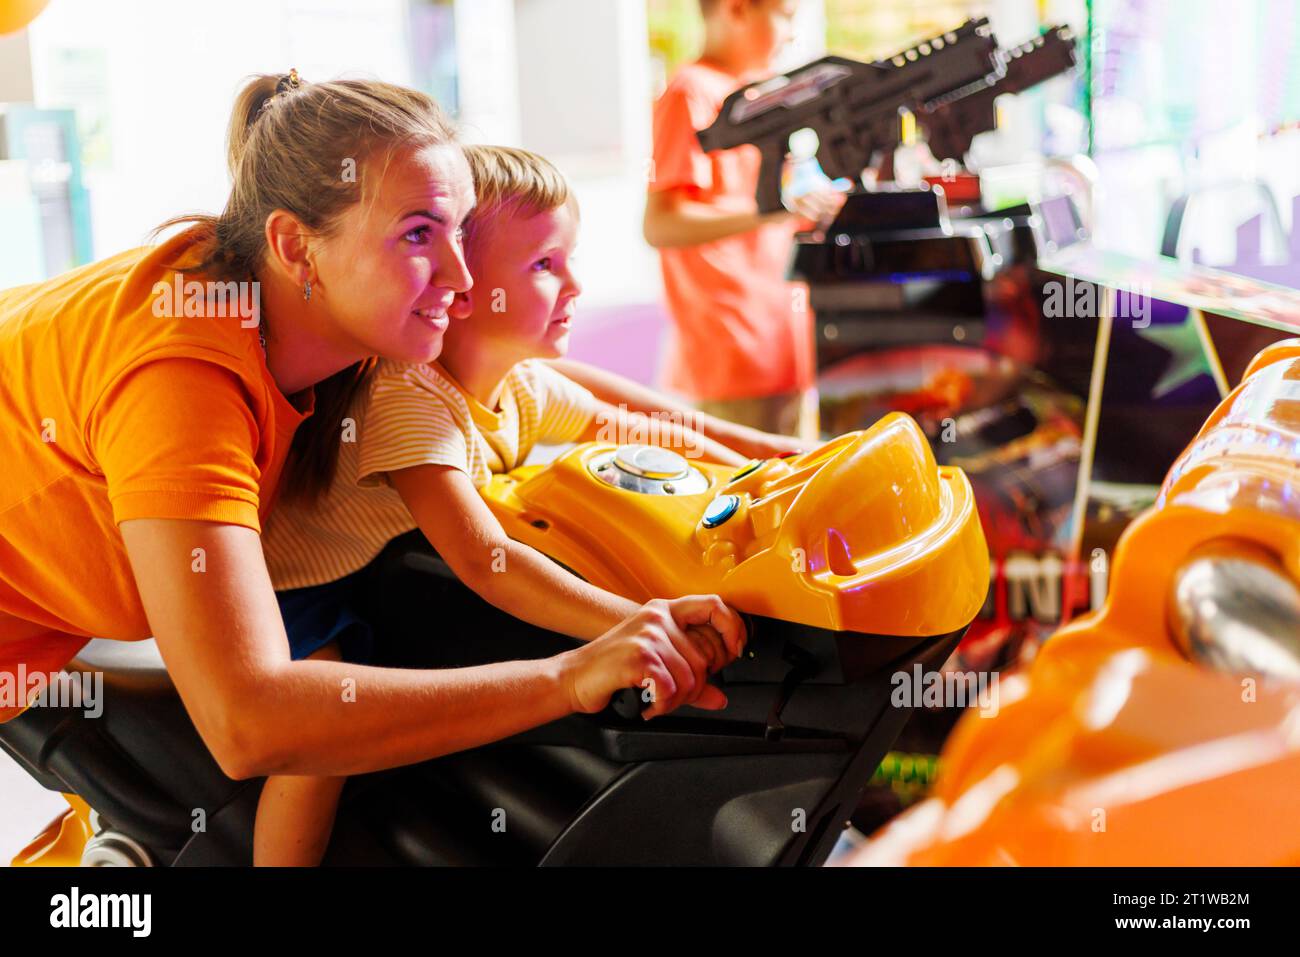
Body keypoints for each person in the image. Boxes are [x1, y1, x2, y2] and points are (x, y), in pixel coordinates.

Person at [0, 74, 745, 852]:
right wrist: (570, 676)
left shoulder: (318, 316)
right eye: (419, 234)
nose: (461, 280)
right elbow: (248, 721)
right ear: (294, 245)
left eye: (460, 233)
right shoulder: (182, 380)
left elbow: (547, 385)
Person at [255, 144, 768, 864]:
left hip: (382, 579)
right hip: (296, 587)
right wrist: (635, 627)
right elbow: (486, 562)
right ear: (463, 291)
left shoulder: (521, 385)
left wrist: (782, 457)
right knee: (320, 742)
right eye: (545, 266)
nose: (576, 285)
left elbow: (657, 427)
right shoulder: (411, 398)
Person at [643, 0, 846, 439]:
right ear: (737, 10)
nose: (791, 35)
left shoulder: (756, 91)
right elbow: (661, 224)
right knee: (752, 499)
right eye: (786, 17)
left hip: (783, 342)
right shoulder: (690, 93)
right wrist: (773, 212)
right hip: (735, 349)